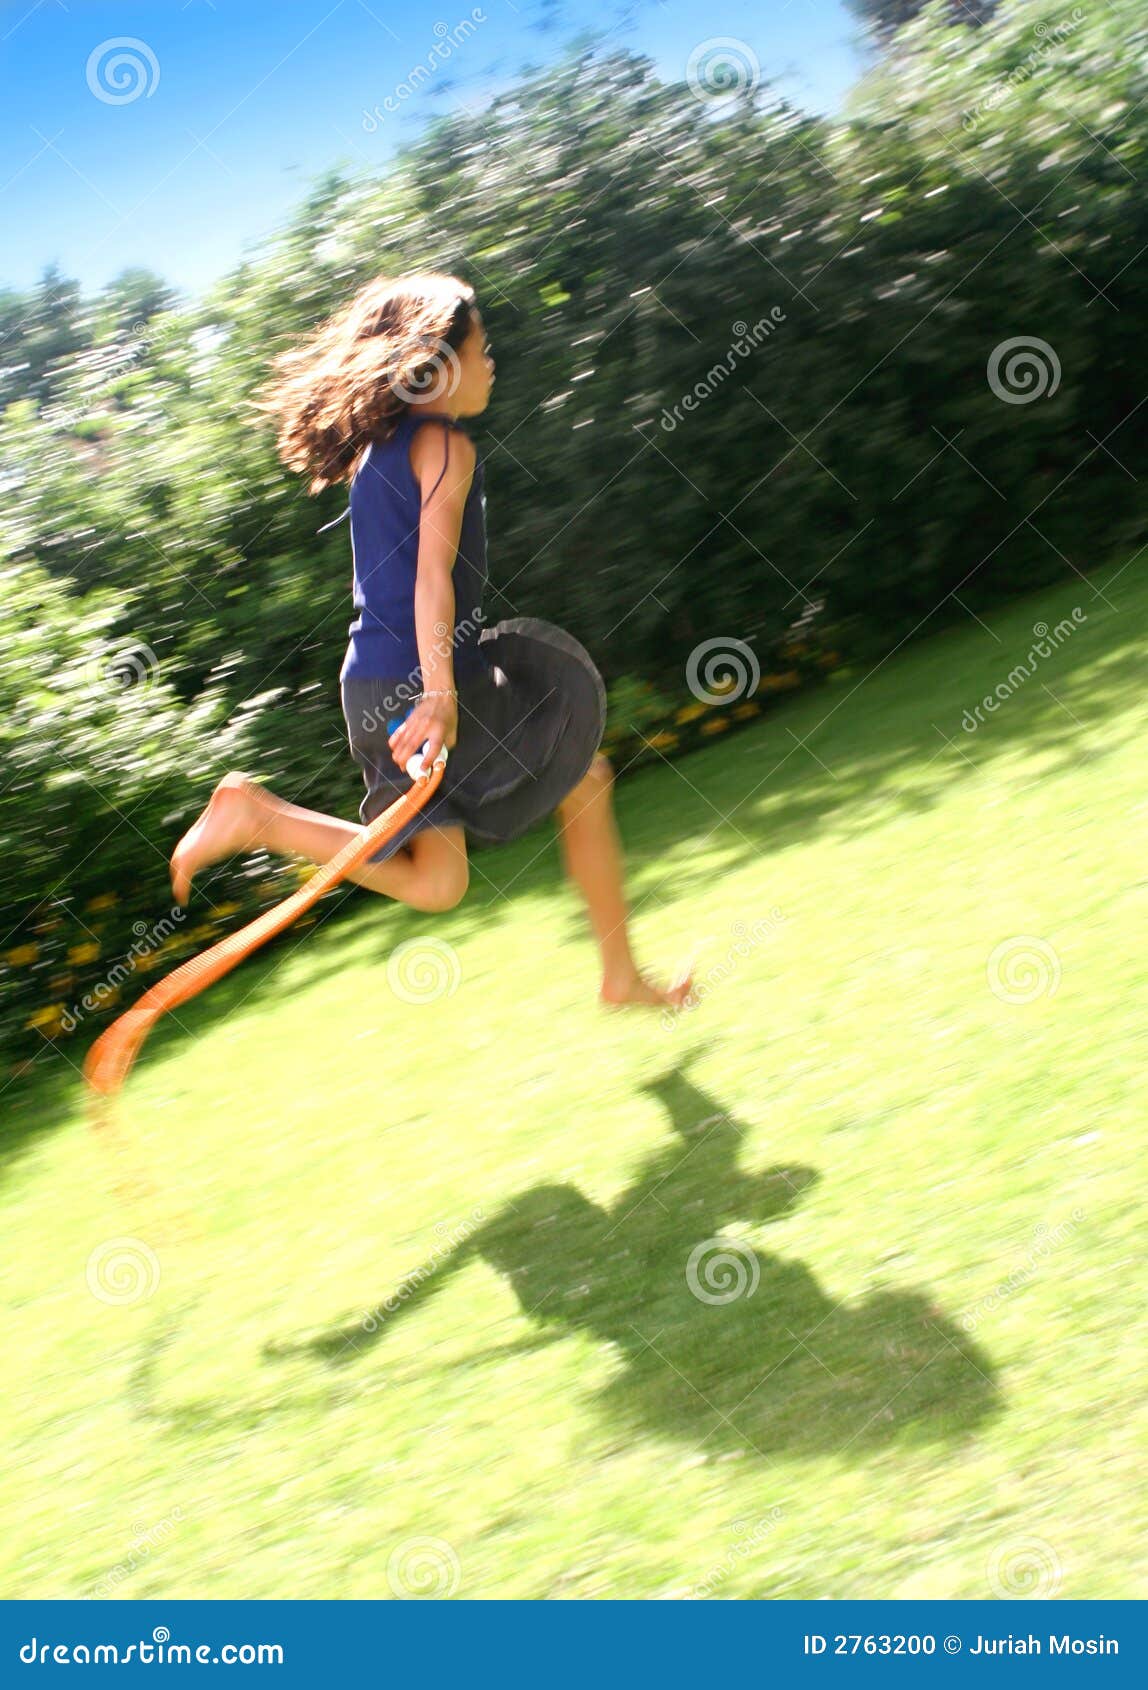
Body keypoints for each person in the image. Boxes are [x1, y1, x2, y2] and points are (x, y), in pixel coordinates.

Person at [169, 271, 694, 1011]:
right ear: (441, 363)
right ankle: (619, 977)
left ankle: (264, 818)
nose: (490, 364)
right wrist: (443, 693)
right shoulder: (445, 446)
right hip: (422, 681)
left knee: (439, 881)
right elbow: (430, 581)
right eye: (482, 350)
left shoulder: (381, 449)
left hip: (373, 684)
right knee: (586, 776)